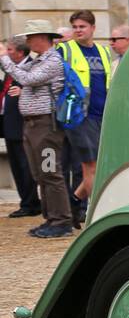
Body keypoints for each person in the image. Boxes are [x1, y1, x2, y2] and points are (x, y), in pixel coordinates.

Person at [0, 20, 74, 237]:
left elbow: (26, 79)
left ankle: (61, 221)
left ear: (42, 38)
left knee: (50, 172)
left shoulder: (53, 61)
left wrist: (5, 57)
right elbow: (21, 71)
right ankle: (51, 218)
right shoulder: (39, 60)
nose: (27, 41)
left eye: (30, 37)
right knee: (39, 173)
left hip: (46, 126)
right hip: (33, 125)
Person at [57, 10, 115, 209]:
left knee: (98, 167)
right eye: (74, 27)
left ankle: (73, 203)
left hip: (102, 115)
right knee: (91, 168)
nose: (77, 30)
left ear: (93, 28)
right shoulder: (65, 50)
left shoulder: (104, 51)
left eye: (82, 26)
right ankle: (101, 211)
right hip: (80, 116)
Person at [2, 36, 42, 218]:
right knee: (17, 166)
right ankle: (26, 201)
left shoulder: (31, 66)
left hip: (23, 125)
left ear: (20, 52)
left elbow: (37, 88)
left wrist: (23, 91)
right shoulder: (12, 68)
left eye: (9, 50)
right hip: (9, 124)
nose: (7, 53)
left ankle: (30, 203)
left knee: (25, 166)